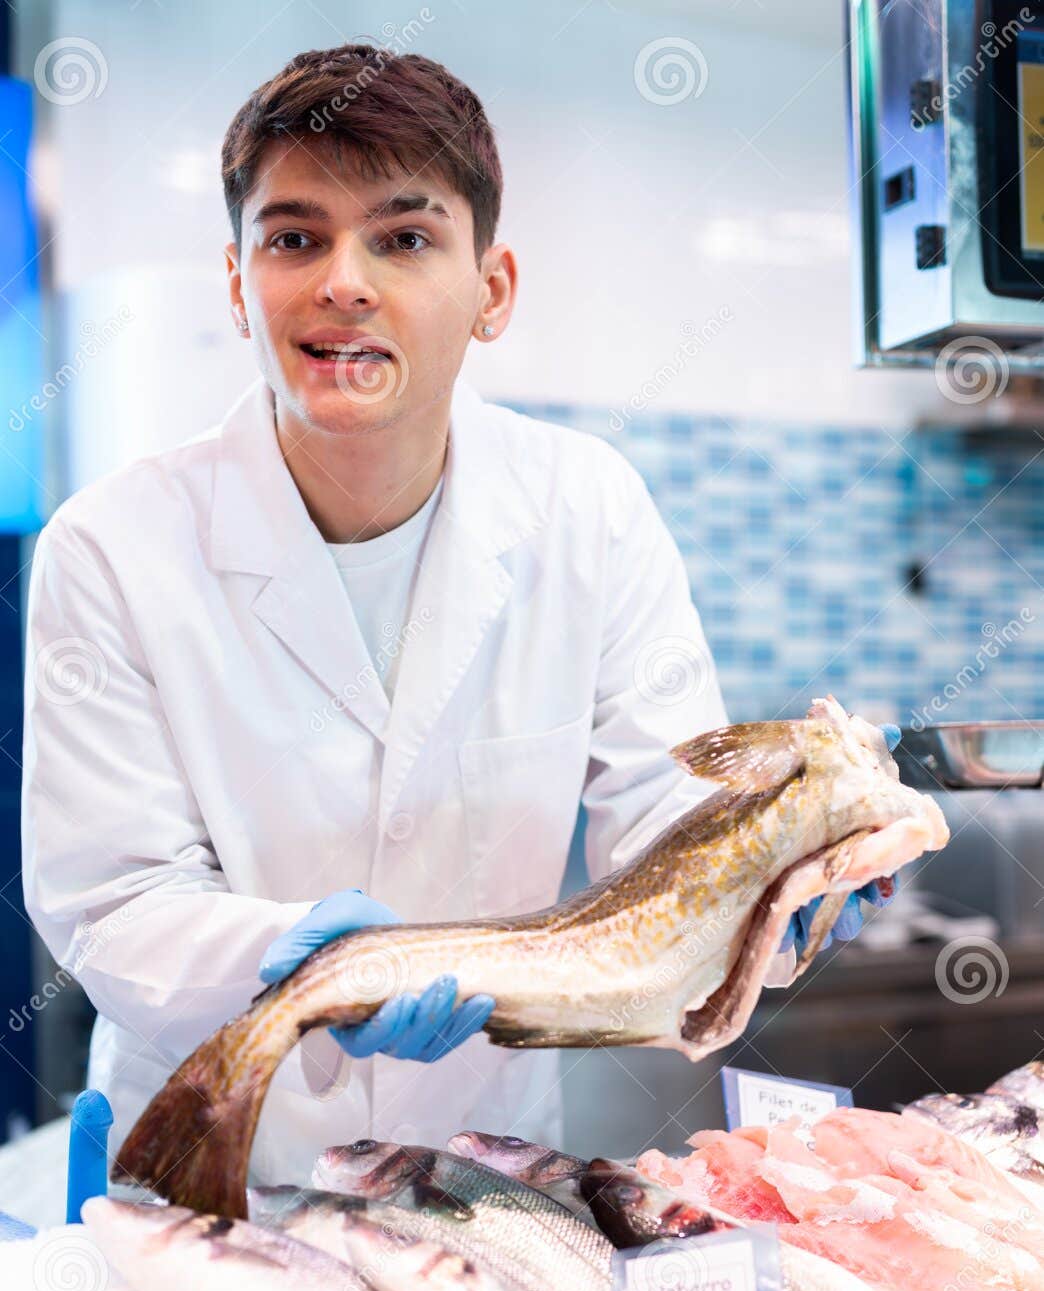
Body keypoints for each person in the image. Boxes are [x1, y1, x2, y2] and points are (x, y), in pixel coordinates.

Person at [21, 45, 889, 1186]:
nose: (345, 280)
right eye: (294, 238)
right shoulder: (110, 547)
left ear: (493, 291)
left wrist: (783, 878)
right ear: (239, 284)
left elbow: (664, 845)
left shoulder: (590, 510)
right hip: (215, 1154)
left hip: (480, 1164)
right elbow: (111, 897)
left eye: (404, 236)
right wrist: (281, 959)